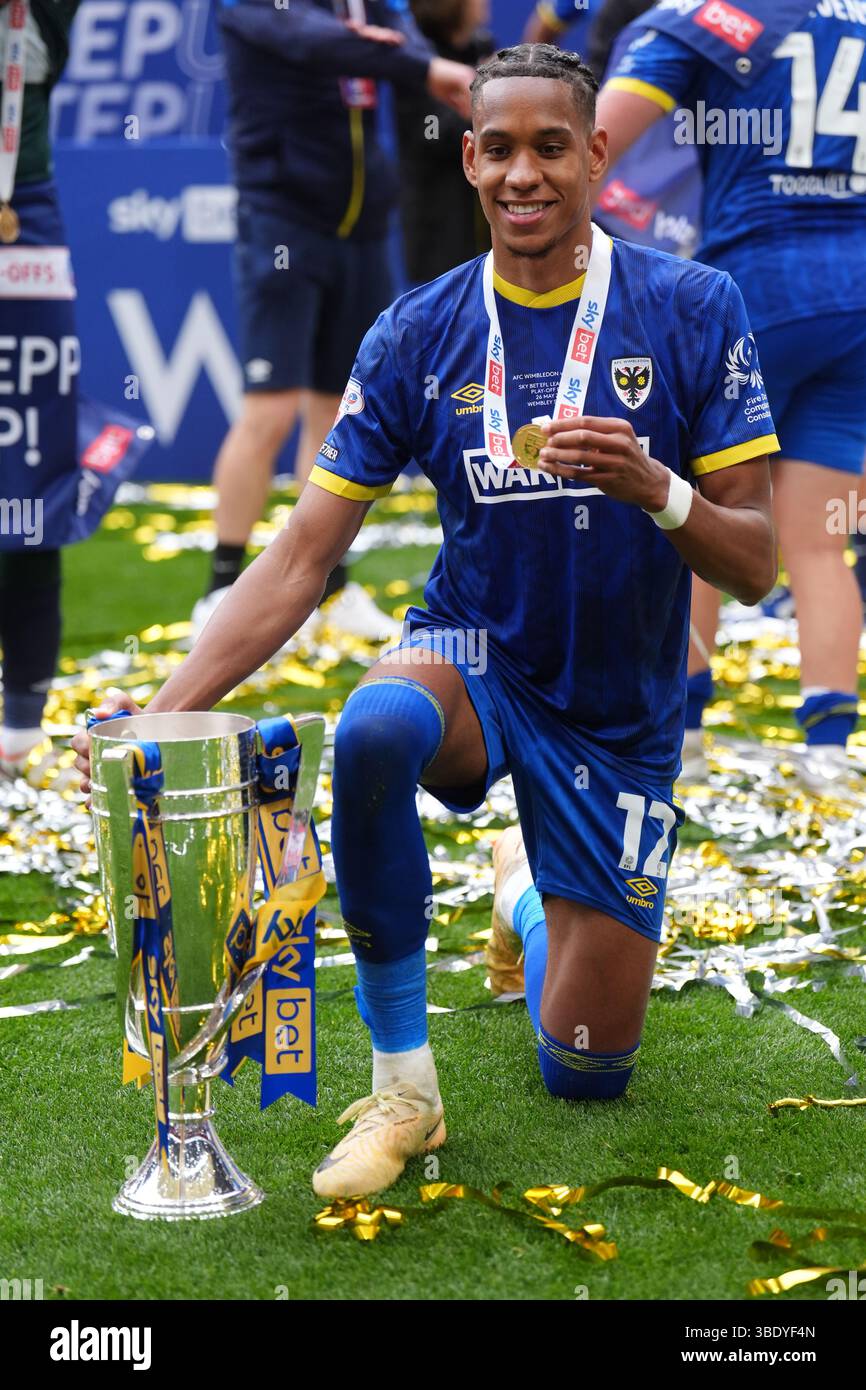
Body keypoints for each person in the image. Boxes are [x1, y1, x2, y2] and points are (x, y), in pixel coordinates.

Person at [74, 44, 778, 1199]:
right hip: (471, 655)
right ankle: (405, 1088)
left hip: (618, 708)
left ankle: (517, 887)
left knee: (585, 1070)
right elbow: (302, 556)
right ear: (468, 158)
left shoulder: (692, 306)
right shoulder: (415, 330)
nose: (522, 175)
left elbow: (753, 563)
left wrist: (660, 489)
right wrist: (156, 715)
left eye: (550, 146)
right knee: (373, 729)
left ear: (595, 153)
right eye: (497, 149)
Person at [595, 0, 866, 780]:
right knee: (819, 541)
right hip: (854, 291)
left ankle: (683, 739)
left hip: (760, 287)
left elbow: (590, 144)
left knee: (695, 514)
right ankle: (829, 755)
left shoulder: (714, 16)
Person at [190, 0, 475, 646]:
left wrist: (401, 49)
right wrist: (404, 57)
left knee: (339, 413)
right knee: (270, 410)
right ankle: (220, 583)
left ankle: (332, 583)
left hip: (365, 229)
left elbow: (396, 36)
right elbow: (313, 41)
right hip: (281, 220)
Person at [394, 0, 493, 284]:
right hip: (437, 223)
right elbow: (433, 134)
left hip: (482, 222)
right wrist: (488, 106)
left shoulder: (481, 45)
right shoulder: (418, 61)